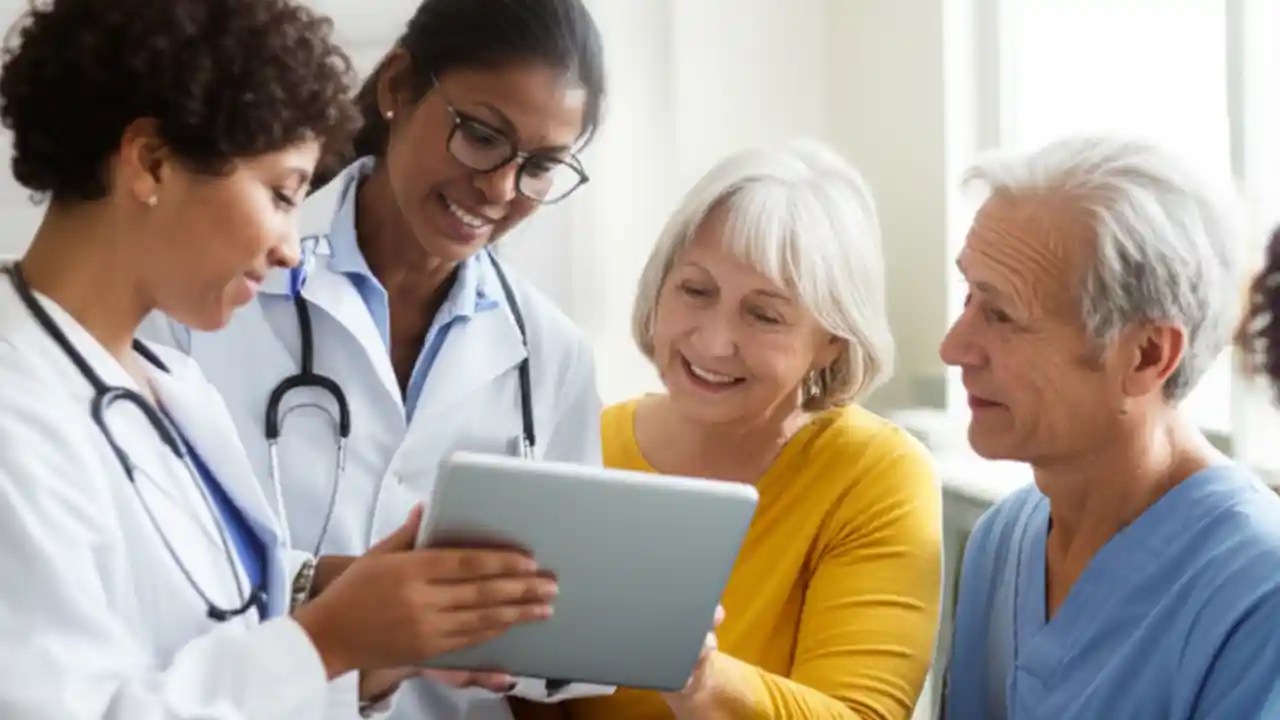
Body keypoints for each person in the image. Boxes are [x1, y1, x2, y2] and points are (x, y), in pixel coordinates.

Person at [0, 1, 564, 717]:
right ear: (152, 161)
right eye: (280, 194)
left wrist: (373, 633)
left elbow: (218, 616)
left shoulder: (169, 385)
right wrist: (328, 642)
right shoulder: (15, 416)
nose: (290, 248)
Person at [139, 0, 610, 717]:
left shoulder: (551, 355)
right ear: (397, 87)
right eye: (481, 137)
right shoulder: (215, 283)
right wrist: (350, 596)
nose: (501, 189)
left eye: (541, 167)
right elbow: (148, 559)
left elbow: (566, 650)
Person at [516, 141, 943, 720]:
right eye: (696, 291)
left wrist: (697, 676)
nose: (715, 342)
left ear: (831, 342)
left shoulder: (875, 473)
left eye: (764, 314)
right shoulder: (583, 444)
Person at [941, 136, 1280, 719]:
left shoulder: (1257, 591)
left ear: (1146, 355)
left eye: (1001, 315)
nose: (954, 347)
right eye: (969, 296)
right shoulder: (1001, 540)